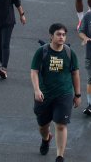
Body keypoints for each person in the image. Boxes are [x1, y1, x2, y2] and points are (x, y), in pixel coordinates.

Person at [30, 23, 81, 162]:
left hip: (64, 94)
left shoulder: (70, 53)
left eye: (64, 35)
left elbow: (75, 73)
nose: (61, 37)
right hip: (44, 95)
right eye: (58, 34)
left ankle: (60, 156)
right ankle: (46, 139)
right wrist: (37, 90)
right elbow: (34, 71)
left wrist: (77, 94)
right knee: (43, 126)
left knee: (60, 125)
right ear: (51, 36)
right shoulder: (42, 51)